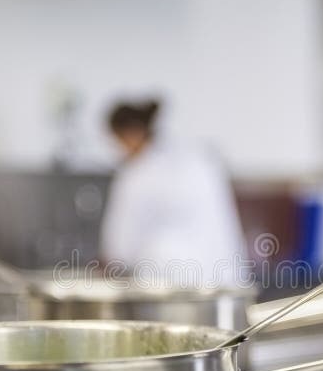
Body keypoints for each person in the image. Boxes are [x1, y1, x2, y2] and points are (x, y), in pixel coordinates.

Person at [100, 99, 245, 287]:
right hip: (224, 280)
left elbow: (120, 247)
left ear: (131, 134)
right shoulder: (200, 161)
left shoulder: (137, 175)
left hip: (168, 282)